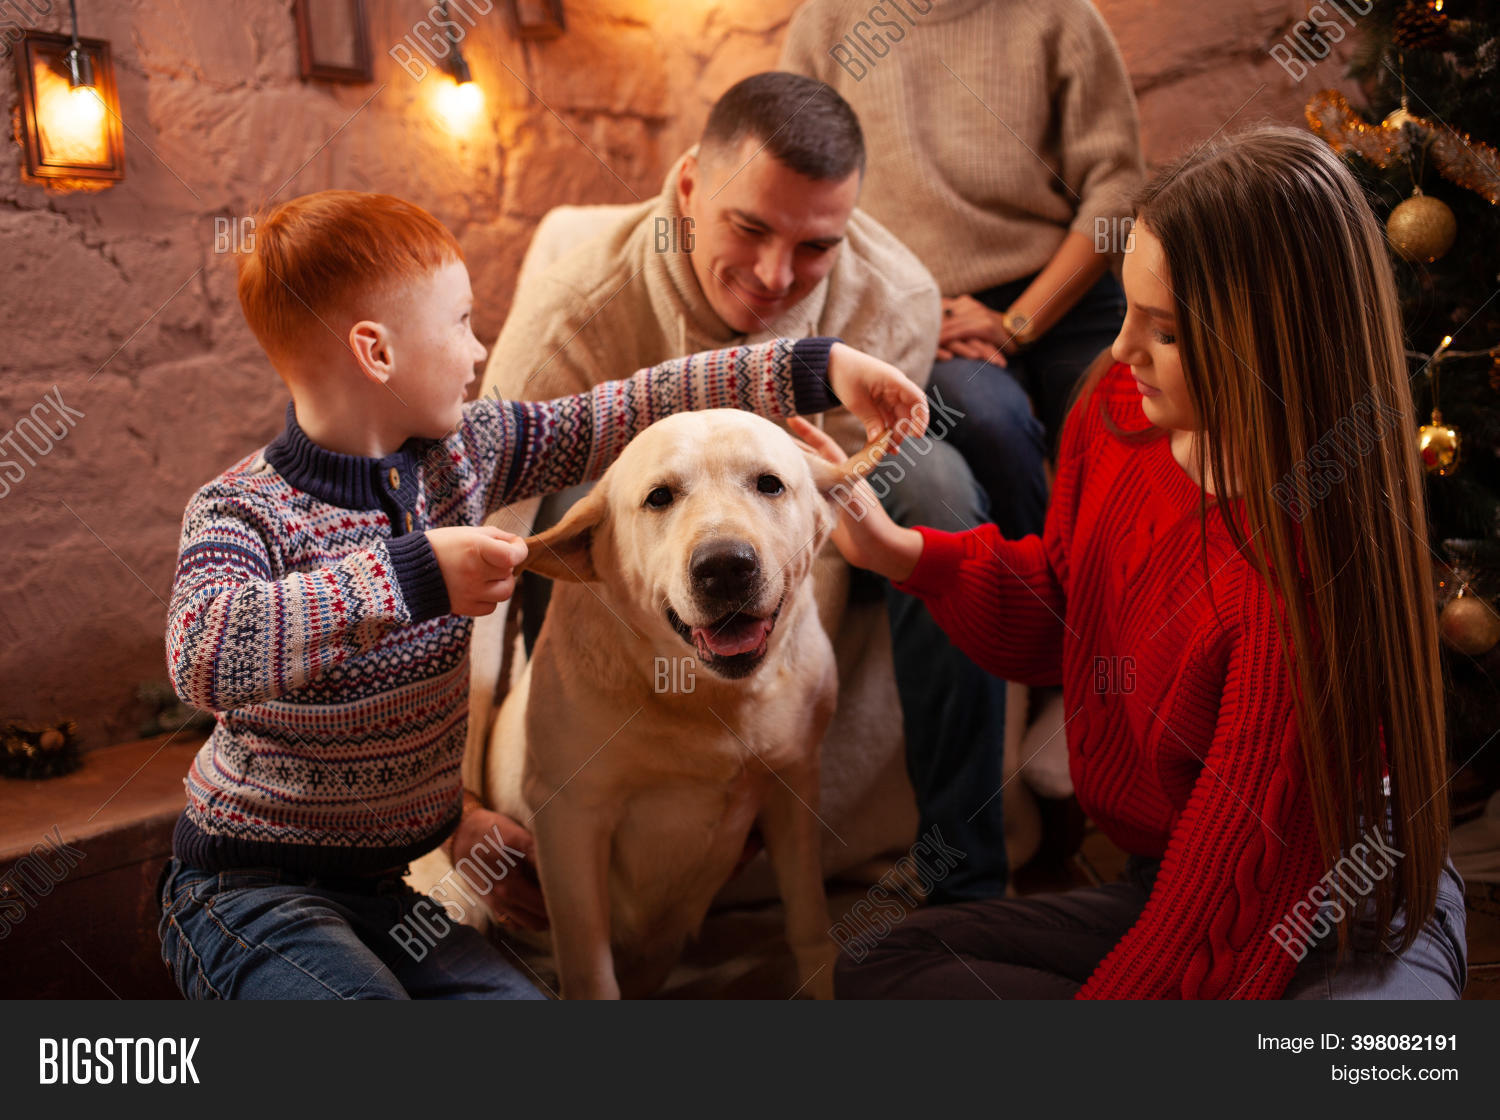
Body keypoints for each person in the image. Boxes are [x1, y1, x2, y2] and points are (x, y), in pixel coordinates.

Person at [155, 189, 927, 999]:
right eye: (458, 323)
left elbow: (630, 405)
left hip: (389, 893)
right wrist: (410, 576)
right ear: (376, 353)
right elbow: (203, 652)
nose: (480, 348)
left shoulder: (471, 451)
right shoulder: (239, 510)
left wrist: (818, 368)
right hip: (251, 891)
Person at [794, 125, 1468, 998]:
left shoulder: (1302, 582)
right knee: (887, 961)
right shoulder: (1118, 410)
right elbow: (1076, 614)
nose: (1120, 351)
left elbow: (1220, 917)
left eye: (1168, 332)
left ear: (1273, 345)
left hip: (1324, 904)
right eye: (1127, 311)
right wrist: (901, 553)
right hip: (1176, 878)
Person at [484, 71, 1025, 904]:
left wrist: (765, 753)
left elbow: (817, 525)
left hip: (796, 540)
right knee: (569, 508)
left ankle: (965, 876)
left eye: (817, 246)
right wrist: (450, 807)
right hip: (627, 544)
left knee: (943, 488)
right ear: (693, 183)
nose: (776, 275)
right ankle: (558, 775)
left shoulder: (897, 298)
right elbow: (486, 538)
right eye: (749, 228)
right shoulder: (572, 318)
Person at [781, 0, 1145, 487]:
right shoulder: (825, 21)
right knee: (993, 425)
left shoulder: (1062, 15)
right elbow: (799, 188)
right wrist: (907, 315)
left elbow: (1116, 189)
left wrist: (1018, 322)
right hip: (933, 313)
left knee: (1121, 431)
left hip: (1069, 289)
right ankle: (1030, 565)